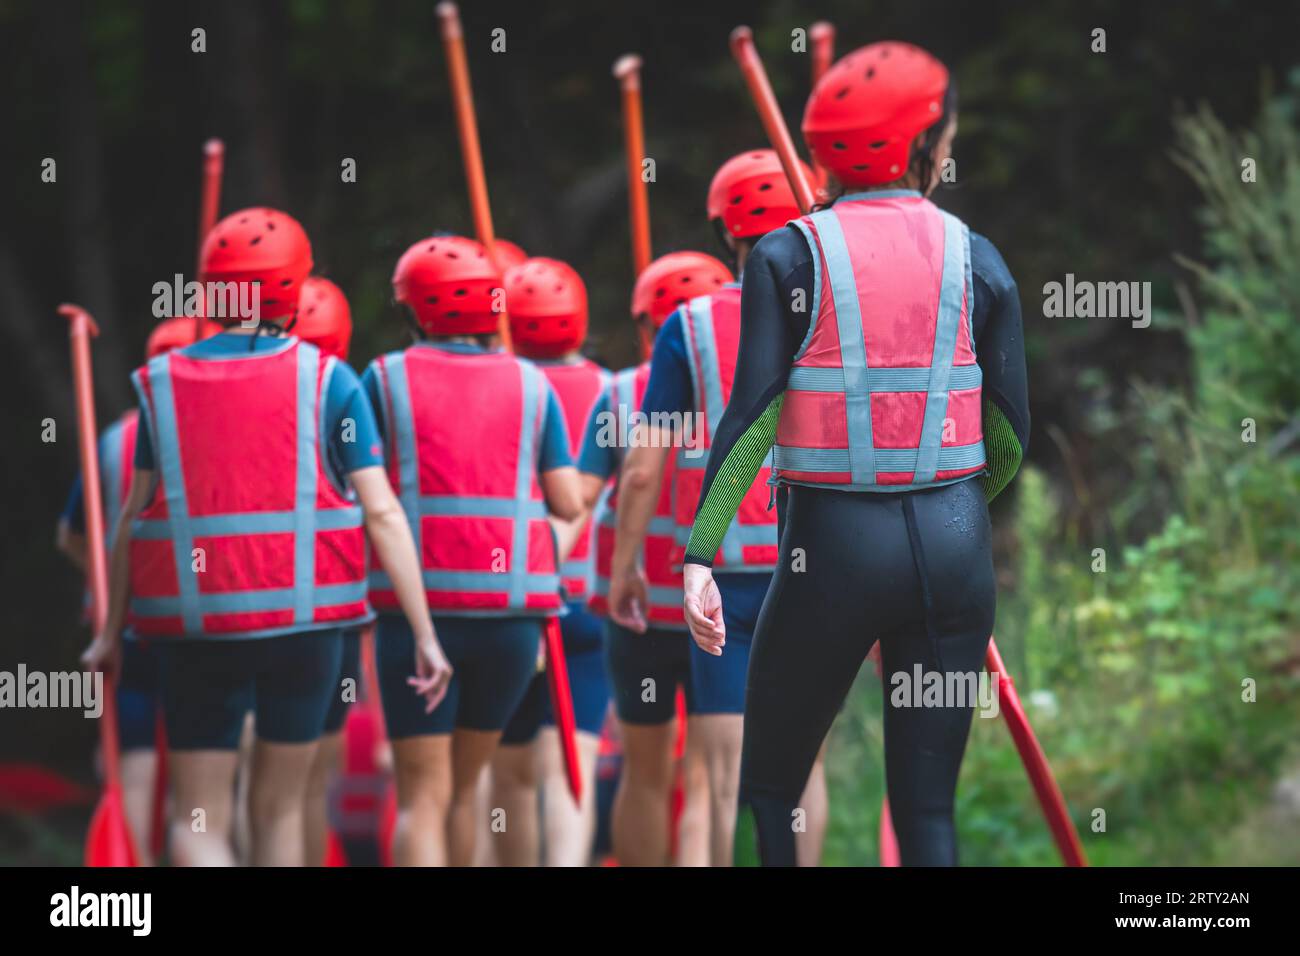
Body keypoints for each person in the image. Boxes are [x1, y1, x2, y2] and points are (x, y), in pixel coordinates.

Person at [680, 42, 1030, 866]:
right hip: (953, 547)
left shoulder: (783, 256)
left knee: (771, 791)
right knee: (926, 811)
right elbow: (1010, 435)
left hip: (827, 554)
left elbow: (754, 417)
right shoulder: (979, 259)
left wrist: (702, 552)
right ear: (922, 147)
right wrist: (958, 520)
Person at [82, 207, 451, 867]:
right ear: (292, 288)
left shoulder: (159, 386)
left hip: (193, 631)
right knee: (280, 812)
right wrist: (424, 634)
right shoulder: (329, 379)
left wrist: (110, 634)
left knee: (199, 821)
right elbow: (384, 513)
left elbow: (129, 523)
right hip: (304, 632)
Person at [605, 150, 807, 866]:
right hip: (816, 571)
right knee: (802, 771)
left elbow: (642, 467)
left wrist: (625, 567)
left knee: (721, 779)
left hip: (720, 578)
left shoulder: (687, 328)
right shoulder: (840, 311)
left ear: (729, 232)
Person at [363, 234, 584, 866]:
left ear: (415, 311)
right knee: (464, 791)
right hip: (513, 622)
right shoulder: (532, 385)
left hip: (419, 616)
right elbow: (568, 502)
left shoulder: (383, 380)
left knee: (421, 800)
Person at [575, 250, 733, 865]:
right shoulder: (739, 394)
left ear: (649, 327)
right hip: (717, 613)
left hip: (639, 615)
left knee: (644, 776)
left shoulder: (616, 395)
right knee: (703, 775)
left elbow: (590, 494)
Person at [57, 315, 217, 864]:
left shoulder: (111, 441)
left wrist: (111, 578)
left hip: (125, 634)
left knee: (135, 778)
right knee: (204, 800)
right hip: (205, 633)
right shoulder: (223, 426)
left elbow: (70, 536)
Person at [489, 257, 612, 866]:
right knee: (573, 764)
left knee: (509, 774)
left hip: (510, 600)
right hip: (585, 599)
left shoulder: (499, 384)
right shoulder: (607, 388)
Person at [291, 275, 365, 867]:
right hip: (329, 616)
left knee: (259, 788)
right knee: (310, 786)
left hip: (235, 612)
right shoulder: (346, 392)